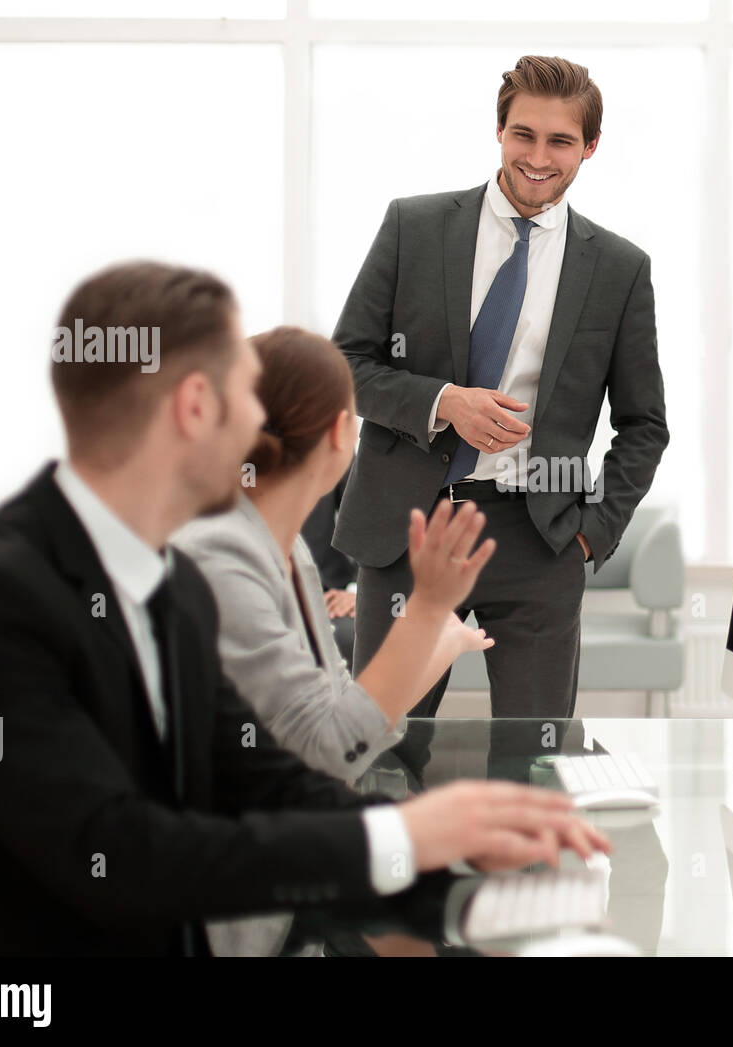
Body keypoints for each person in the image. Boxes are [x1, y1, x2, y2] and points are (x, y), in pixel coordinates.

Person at [0, 261, 608, 956]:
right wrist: (407, 835)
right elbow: (118, 851)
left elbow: (269, 786)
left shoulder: (167, 588)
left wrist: (459, 891)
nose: (261, 429)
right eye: (248, 396)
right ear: (196, 408)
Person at [332, 54, 669, 719]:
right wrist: (443, 402)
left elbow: (645, 424)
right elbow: (345, 365)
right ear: (499, 130)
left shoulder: (620, 268)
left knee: (534, 757)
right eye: (525, 134)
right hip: (410, 527)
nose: (538, 157)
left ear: (589, 147)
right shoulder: (414, 227)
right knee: (387, 746)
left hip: (539, 535)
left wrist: (591, 534)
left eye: (560, 141)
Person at [172, 326, 497, 955]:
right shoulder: (218, 558)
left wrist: (442, 636)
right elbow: (329, 746)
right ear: (341, 436)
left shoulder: (285, 549)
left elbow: (340, 718)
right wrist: (428, 609)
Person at [300, 476, 358, 665]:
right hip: (253, 587)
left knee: (353, 636)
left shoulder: (333, 449)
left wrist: (357, 589)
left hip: (330, 593)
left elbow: (371, 521)